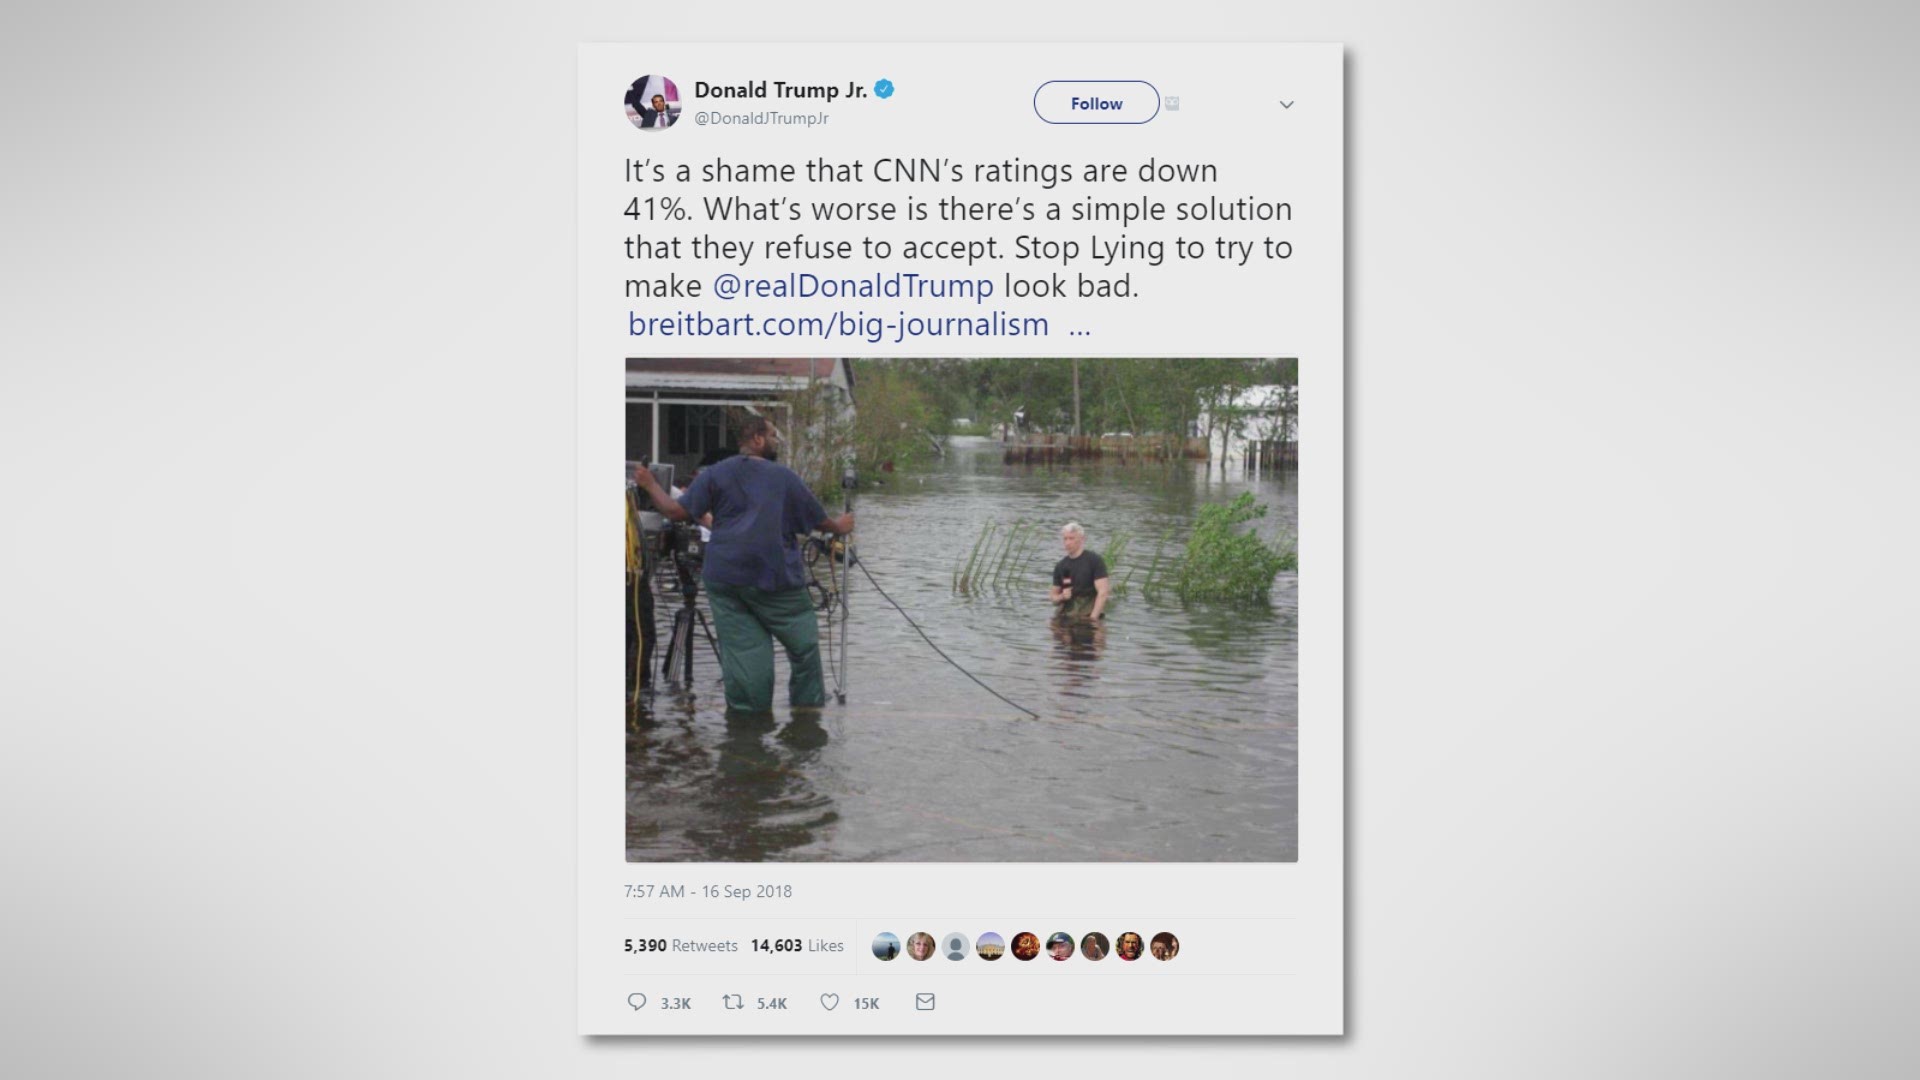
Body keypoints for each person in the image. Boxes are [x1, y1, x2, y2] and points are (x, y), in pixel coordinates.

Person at [634, 416, 854, 713]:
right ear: (758, 439)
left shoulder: (715, 474)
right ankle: (806, 717)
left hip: (726, 581)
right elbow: (820, 522)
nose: (777, 441)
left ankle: (746, 729)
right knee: (803, 646)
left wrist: (648, 484)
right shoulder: (784, 477)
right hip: (776, 581)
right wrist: (842, 525)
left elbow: (675, 511)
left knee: (745, 654)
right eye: (774, 435)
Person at [1049, 522, 1111, 620]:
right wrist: (1062, 596)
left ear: (1082, 539)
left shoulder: (1094, 561)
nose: (1067, 542)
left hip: (1089, 613)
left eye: (1071, 538)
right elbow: (1053, 597)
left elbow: (1103, 592)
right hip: (1067, 614)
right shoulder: (1060, 566)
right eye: (1065, 538)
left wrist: (1093, 619)